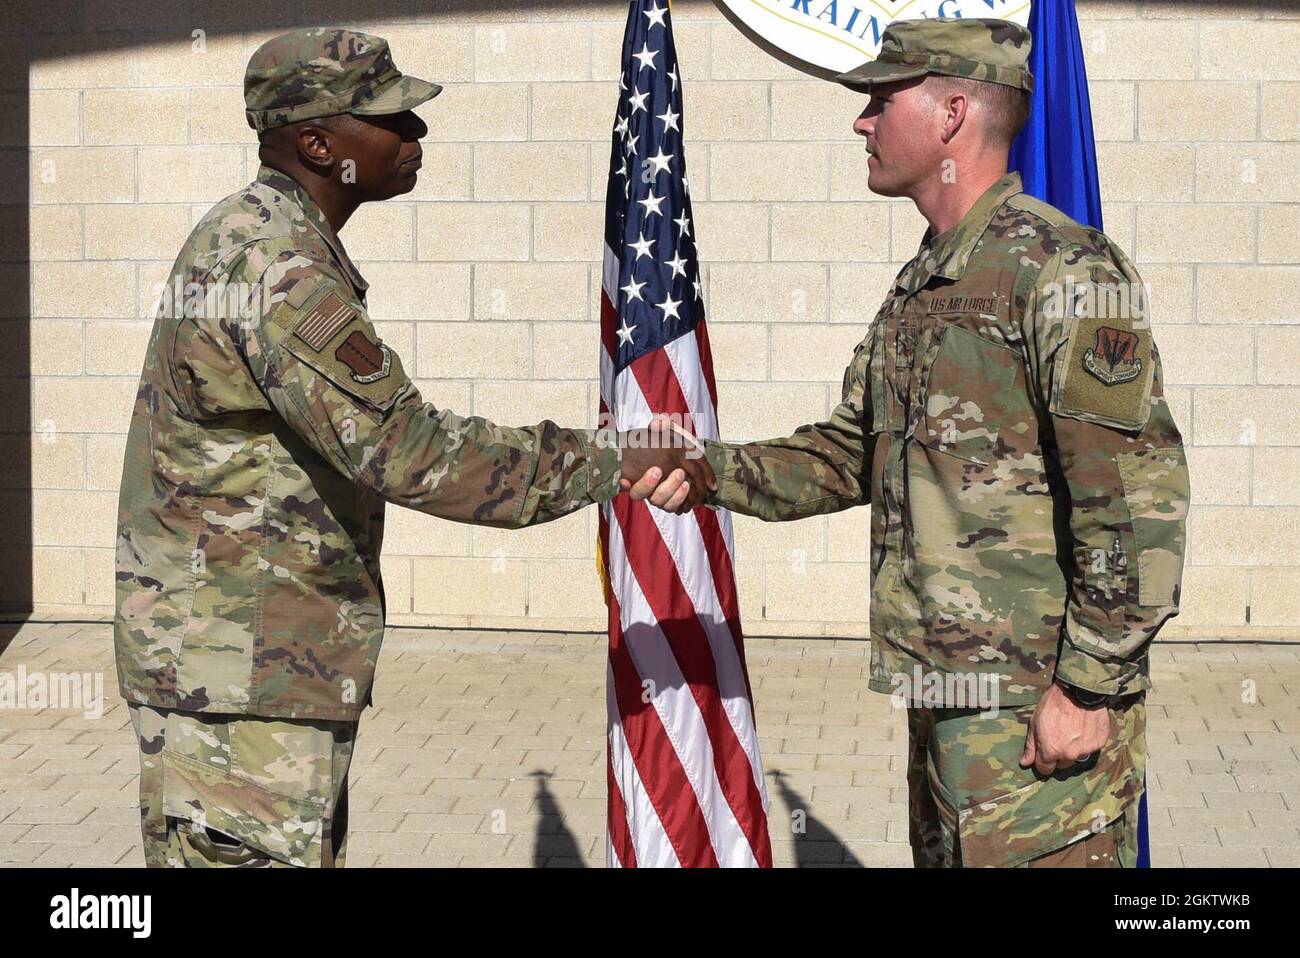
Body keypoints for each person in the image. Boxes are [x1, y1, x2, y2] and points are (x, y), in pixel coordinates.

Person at [114, 27, 705, 867]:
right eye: (392, 118)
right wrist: (619, 459)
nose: (415, 135)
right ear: (319, 143)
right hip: (239, 696)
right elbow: (409, 451)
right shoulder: (279, 269)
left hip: (249, 677)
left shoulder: (261, 238)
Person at [648, 17, 1190, 867]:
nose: (861, 122)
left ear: (952, 113)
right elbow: (846, 452)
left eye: (879, 99)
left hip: (1037, 723)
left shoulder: (1062, 270)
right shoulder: (927, 281)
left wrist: (1090, 685)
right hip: (944, 705)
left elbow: (1135, 505)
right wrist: (706, 469)